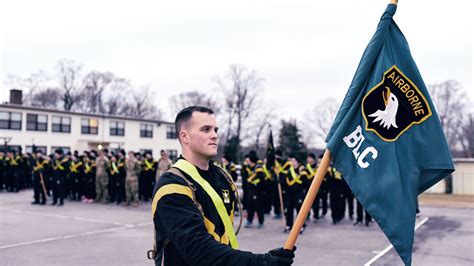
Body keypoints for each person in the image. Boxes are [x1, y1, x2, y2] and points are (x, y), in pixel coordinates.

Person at [151, 106, 295, 265]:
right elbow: (198, 249)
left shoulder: (222, 177)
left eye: (215, 130)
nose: (214, 135)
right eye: (206, 129)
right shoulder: (172, 185)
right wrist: (259, 262)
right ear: (185, 137)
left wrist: (267, 259)